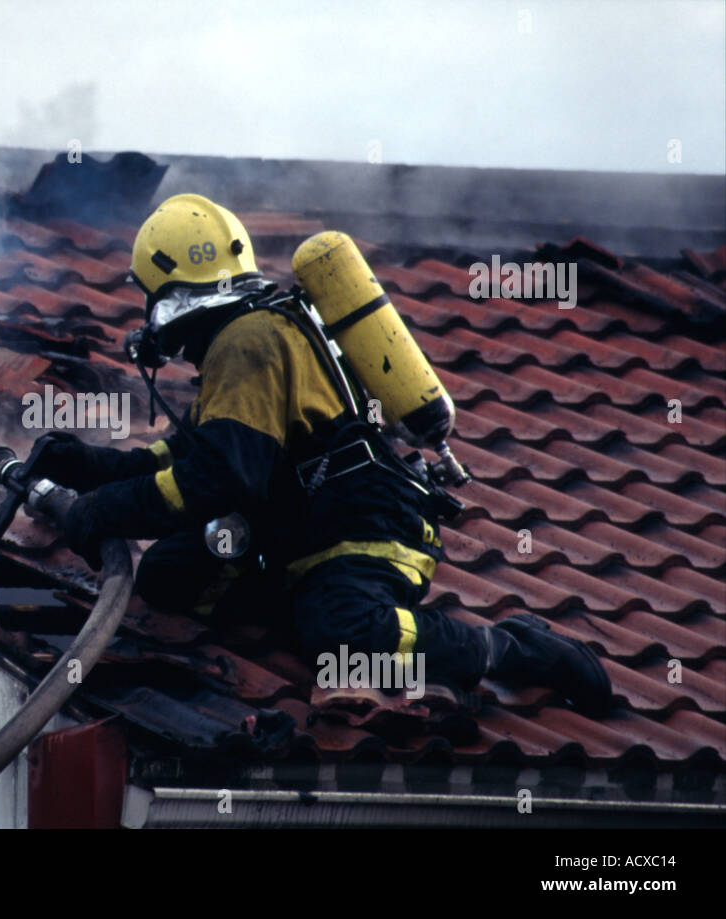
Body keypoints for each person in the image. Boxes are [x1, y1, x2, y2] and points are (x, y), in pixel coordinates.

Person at [33, 193, 612, 714]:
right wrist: (85, 467)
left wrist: (102, 511)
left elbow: (215, 480)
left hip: (361, 528)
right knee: (171, 574)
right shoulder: (244, 338)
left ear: (169, 290)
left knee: (341, 636)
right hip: (298, 533)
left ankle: (507, 647)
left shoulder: (246, 341)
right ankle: (298, 607)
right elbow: (181, 455)